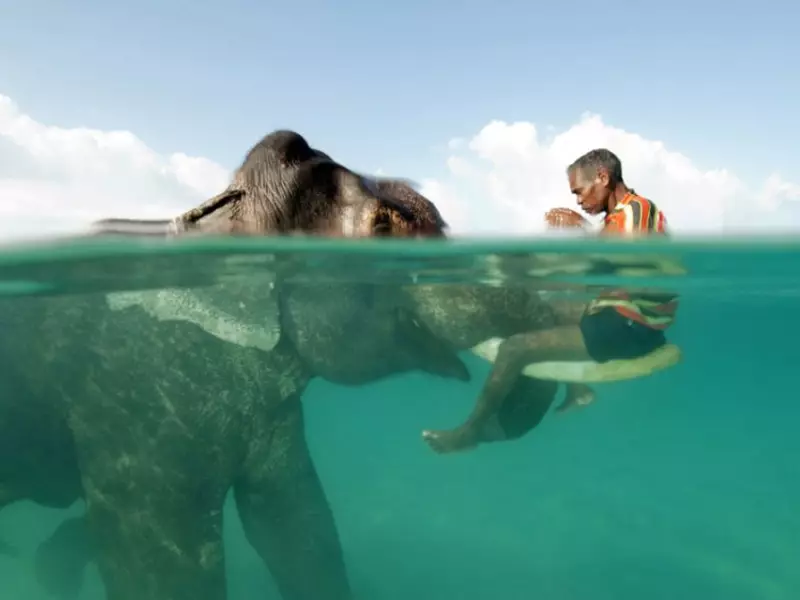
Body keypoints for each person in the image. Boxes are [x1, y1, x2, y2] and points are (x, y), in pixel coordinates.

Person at [423, 148, 678, 454]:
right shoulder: (628, 211)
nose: (579, 201)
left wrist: (579, 231)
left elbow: (619, 259)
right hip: (620, 316)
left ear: (602, 177)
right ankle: (578, 390)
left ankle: (468, 432)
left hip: (629, 328)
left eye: (580, 192)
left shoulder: (634, 214)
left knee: (513, 349)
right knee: (545, 309)